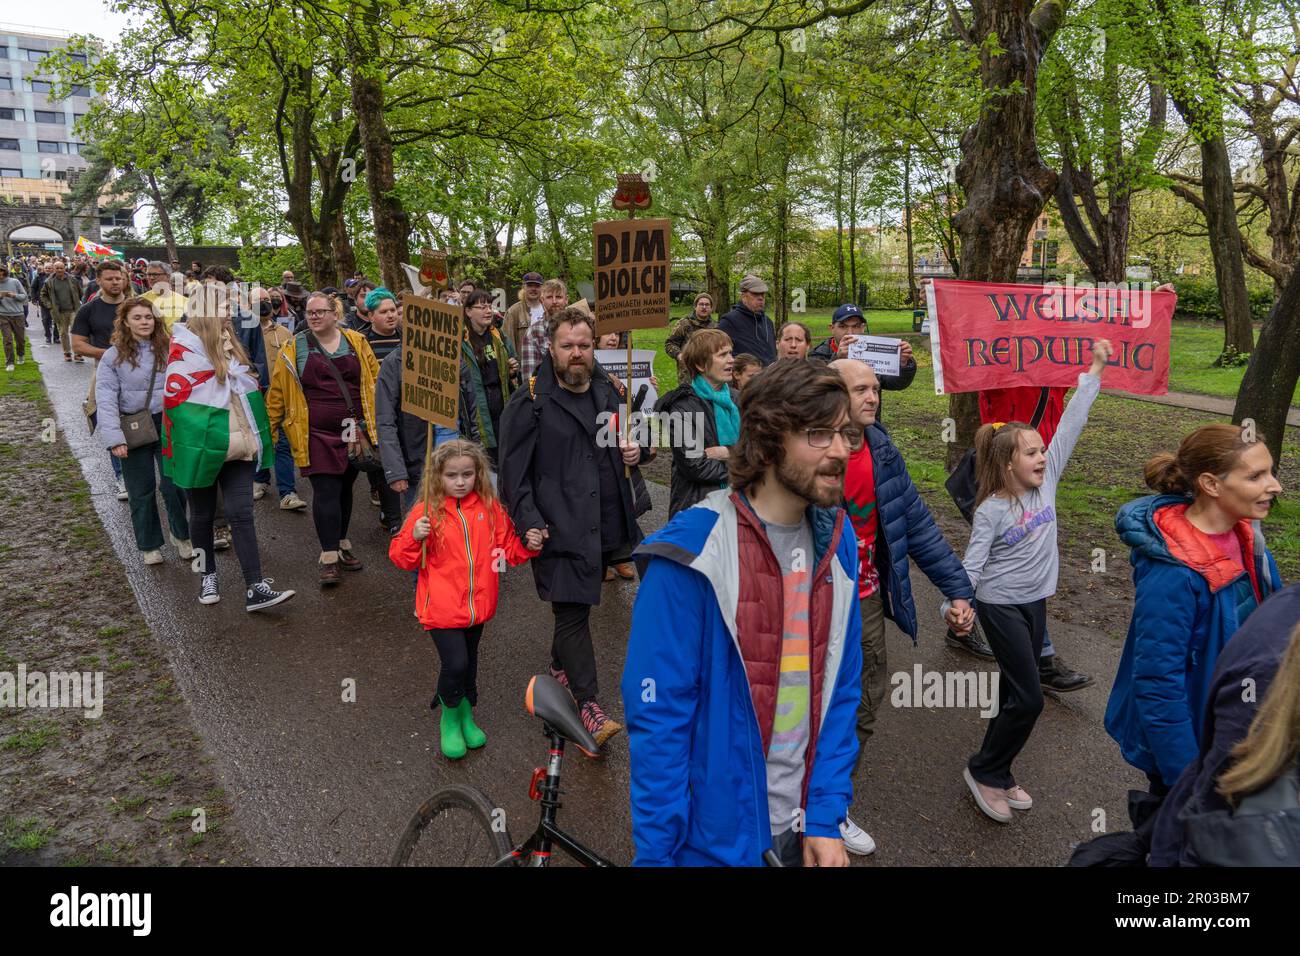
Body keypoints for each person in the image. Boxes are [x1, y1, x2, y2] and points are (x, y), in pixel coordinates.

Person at [622, 359, 863, 866]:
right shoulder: (690, 555)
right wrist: (657, 856)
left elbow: (841, 689)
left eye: (846, 434)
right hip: (710, 845)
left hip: (800, 833)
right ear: (769, 439)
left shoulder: (839, 544)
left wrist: (823, 815)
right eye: (820, 434)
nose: (841, 450)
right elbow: (660, 722)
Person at [955, 339, 1114, 823]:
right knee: (1027, 698)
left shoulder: (1048, 482)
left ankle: (999, 772)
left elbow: (1072, 422)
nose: (1043, 457)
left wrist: (1095, 369)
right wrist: (956, 605)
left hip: (1034, 603)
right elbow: (972, 565)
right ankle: (984, 769)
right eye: (1031, 453)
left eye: (1043, 450)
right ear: (1006, 464)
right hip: (999, 606)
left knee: (1011, 692)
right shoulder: (992, 510)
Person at [828, 357, 976, 854]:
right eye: (860, 390)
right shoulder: (803, 452)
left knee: (865, 700)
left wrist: (958, 589)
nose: (872, 398)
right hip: (810, 605)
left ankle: (830, 807)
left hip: (865, 598)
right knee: (800, 705)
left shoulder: (882, 448)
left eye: (875, 389)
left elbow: (916, 524)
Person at [498, 305, 653, 748]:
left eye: (584, 345)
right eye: (567, 346)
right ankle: (588, 703)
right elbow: (513, 475)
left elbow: (630, 438)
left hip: (607, 521)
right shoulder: (529, 401)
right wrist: (529, 520)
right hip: (558, 526)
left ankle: (558, 664)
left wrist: (634, 449)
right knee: (572, 611)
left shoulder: (607, 388)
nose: (577, 353)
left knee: (589, 599)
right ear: (550, 347)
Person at [1106, 423, 1283, 796]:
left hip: (1238, 724)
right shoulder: (1173, 575)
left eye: (1270, 472)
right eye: (1256, 476)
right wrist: (1186, 781)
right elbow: (1157, 683)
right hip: (1196, 747)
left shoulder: (1249, 538)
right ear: (1211, 484)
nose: (1275, 486)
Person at [389, 440, 543, 759]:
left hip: (478, 608)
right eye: (452, 476)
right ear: (437, 477)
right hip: (440, 608)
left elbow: (506, 551)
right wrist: (414, 537)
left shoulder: (489, 509)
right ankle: (449, 718)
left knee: (469, 664)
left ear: (478, 474)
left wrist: (529, 545)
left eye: (467, 474)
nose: (460, 482)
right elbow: (401, 559)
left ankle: (466, 715)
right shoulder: (426, 513)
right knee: (455, 663)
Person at [162, 290, 295, 611]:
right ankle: (207, 575)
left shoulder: (230, 341)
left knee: (241, 513)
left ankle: (255, 586)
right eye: (224, 306)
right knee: (203, 515)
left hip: (238, 444)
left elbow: (242, 382)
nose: (230, 312)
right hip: (202, 447)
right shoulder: (184, 351)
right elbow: (179, 400)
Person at [1149, 586, 1300, 866]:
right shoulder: (1272, 669)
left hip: (1204, 742)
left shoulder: (1240, 556)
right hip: (1193, 767)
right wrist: (1180, 768)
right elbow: (1157, 681)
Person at [265, 291, 381, 586]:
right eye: (310, 312)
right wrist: (270, 430)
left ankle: (342, 542)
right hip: (313, 430)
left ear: (335, 313)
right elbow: (277, 392)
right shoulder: (294, 347)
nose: (314, 317)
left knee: (345, 487)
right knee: (326, 489)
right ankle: (328, 555)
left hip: (352, 428)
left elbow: (375, 381)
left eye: (320, 312)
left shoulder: (357, 342)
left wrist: (378, 424)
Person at [96, 298, 191, 564]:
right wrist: (115, 438)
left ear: (156, 319)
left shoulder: (170, 348)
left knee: (175, 486)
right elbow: (105, 398)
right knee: (141, 490)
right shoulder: (113, 356)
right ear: (125, 322)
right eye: (137, 317)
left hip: (168, 424)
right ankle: (150, 545)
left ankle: (182, 536)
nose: (144, 322)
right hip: (133, 426)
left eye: (148, 317)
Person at [653, 328, 738, 516]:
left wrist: (728, 452)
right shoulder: (682, 407)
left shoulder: (738, 400)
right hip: (697, 507)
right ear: (700, 364)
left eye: (731, 352)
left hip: (740, 505)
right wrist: (747, 465)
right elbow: (696, 466)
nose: (732, 359)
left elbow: (762, 449)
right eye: (723, 355)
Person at [73, 259, 133, 499]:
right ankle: (121, 478)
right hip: (105, 371)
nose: (115, 282)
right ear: (99, 280)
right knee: (110, 420)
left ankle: (142, 474)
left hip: (139, 371)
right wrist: (108, 353)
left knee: (141, 420)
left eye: (118, 278)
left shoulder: (135, 306)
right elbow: (77, 345)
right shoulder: (89, 309)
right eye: (109, 278)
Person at [247, 287, 304, 511]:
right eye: (258, 300)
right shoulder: (242, 332)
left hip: (280, 397)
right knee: (260, 441)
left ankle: (288, 492)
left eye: (267, 299)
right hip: (255, 397)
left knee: (282, 443)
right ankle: (260, 479)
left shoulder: (284, 333)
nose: (264, 303)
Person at [460, 289, 519, 468]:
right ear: (468, 311)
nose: (488, 311)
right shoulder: (461, 339)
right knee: (484, 461)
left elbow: (513, 360)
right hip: (477, 410)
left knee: (505, 459)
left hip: (501, 407)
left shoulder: (498, 335)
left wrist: (512, 368)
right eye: (482, 306)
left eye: (489, 306)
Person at [362, 287, 404, 529]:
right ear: (371, 316)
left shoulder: (407, 337)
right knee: (384, 463)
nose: (390, 315)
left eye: (393, 311)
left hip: (406, 411)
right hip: (378, 411)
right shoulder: (361, 342)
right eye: (383, 312)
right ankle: (393, 519)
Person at [810, 303, 916, 390]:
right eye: (843, 326)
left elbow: (893, 384)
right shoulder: (818, 354)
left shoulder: (873, 352)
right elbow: (815, 386)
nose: (850, 332)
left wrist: (903, 365)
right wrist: (838, 359)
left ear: (863, 328)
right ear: (832, 328)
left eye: (856, 326)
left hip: (867, 414)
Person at [717, 274, 776, 366]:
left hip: (770, 377)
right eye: (755, 293)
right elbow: (720, 355)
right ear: (743, 296)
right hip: (744, 378)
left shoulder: (768, 322)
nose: (761, 298)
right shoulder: (729, 322)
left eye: (763, 294)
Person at [516, 278, 568, 380]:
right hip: (548, 393)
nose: (554, 301)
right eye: (549, 297)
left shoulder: (578, 327)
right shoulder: (533, 333)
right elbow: (530, 379)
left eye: (558, 297)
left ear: (566, 300)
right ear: (542, 300)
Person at [40, 258, 83, 362]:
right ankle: (67, 353)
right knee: (63, 333)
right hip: (59, 312)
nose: (59, 270)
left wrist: (80, 302)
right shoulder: (49, 282)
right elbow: (43, 295)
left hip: (73, 310)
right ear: (54, 269)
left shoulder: (72, 279)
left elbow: (80, 292)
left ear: (65, 268)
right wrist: (49, 305)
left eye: (61, 268)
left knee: (76, 332)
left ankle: (78, 354)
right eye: (57, 268)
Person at [663, 291, 715, 363]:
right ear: (695, 307)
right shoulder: (684, 323)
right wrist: (679, 355)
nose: (704, 307)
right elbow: (670, 343)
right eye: (701, 304)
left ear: (711, 308)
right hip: (688, 369)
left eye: (707, 305)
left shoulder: (715, 327)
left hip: (709, 368)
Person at [502, 272, 544, 355]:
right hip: (525, 364)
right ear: (523, 287)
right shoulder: (513, 312)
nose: (533, 289)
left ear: (541, 288)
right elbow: (507, 343)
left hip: (547, 363)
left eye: (537, 286)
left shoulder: (548, 309)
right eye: (530, 285)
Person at [141, 261, 187, 333]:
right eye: (148, 274)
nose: (151, 278)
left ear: (168, 276)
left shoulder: (184, 301)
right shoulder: (140, 300)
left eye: (155, 274)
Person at [0, 261, 29, 372]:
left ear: (5, 272)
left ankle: (20, 355)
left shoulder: (15, 282)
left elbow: (24, 296)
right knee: (7, 340)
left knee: (20, 339)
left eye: (1, 272)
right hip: (3, 315)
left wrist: (13, 295)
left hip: (18, 314)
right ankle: (10, 362)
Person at [32, 261, 55, 347]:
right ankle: (48, 336)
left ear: (53, 268)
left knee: (56, 320)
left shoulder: (57, 276)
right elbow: (33, 288)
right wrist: (33, 298)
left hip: (56, 302)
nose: (48, 269)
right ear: (44, 269)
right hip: (43, 301)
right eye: (46, 268)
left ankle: (56, 337)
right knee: (45, 319)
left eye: (50, 268)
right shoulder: (39, 277)